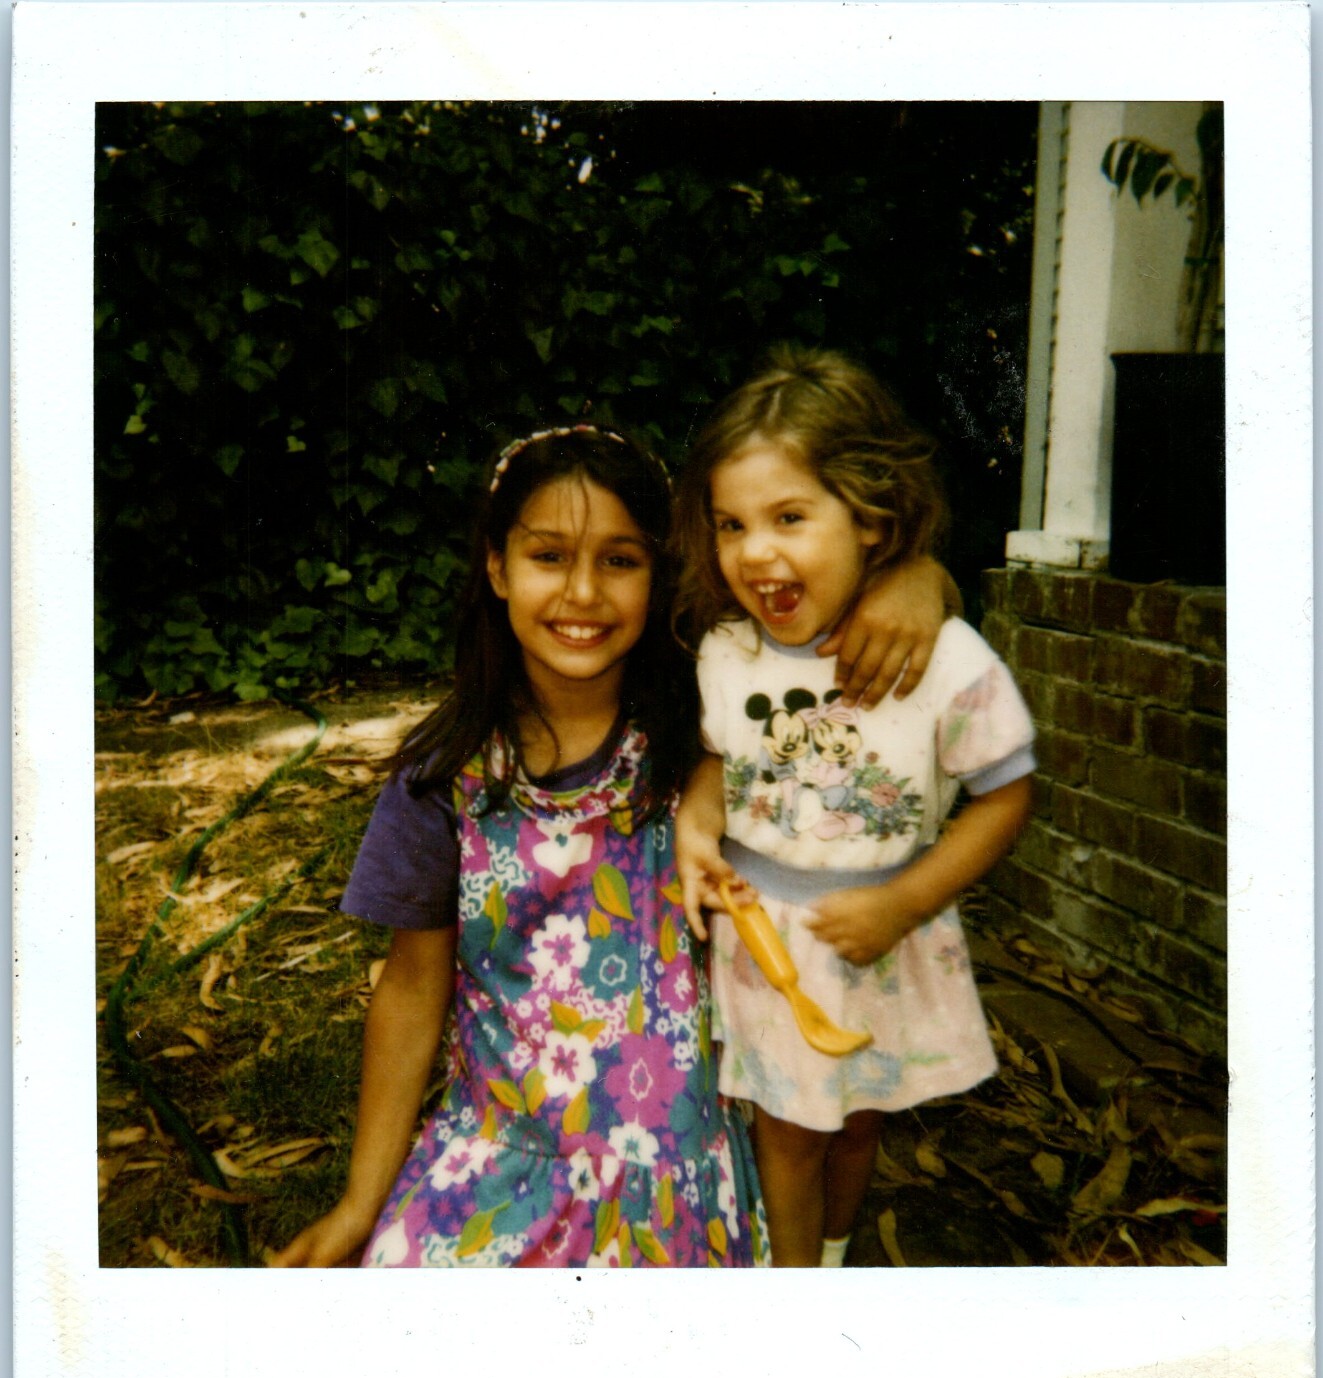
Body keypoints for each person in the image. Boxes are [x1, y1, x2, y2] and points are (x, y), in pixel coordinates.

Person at [272, 423, 950, 1268]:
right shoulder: (441, 780)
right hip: (497, 1164)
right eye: (549, 556)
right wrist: (357, 1204)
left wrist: (922, 581)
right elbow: (413, 991)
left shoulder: (719, 737)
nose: (583, 593)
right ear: (496, 568)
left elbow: (830, 593)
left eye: (620, 560)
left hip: (683, 1176)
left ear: (660, 576)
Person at [672, 348, 1035, 1268]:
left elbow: (1005, 793)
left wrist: (905, 902)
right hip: (768, 946)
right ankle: (794, 1291)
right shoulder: (725, 651)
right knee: (789, 1131)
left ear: (871, 518)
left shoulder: (942, 660)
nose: (755, 551)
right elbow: (721, 758)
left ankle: (830, 1257)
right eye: (730, 524)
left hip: (884, 937)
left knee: (860, 1120)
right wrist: (694, 821)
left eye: (788, 516)